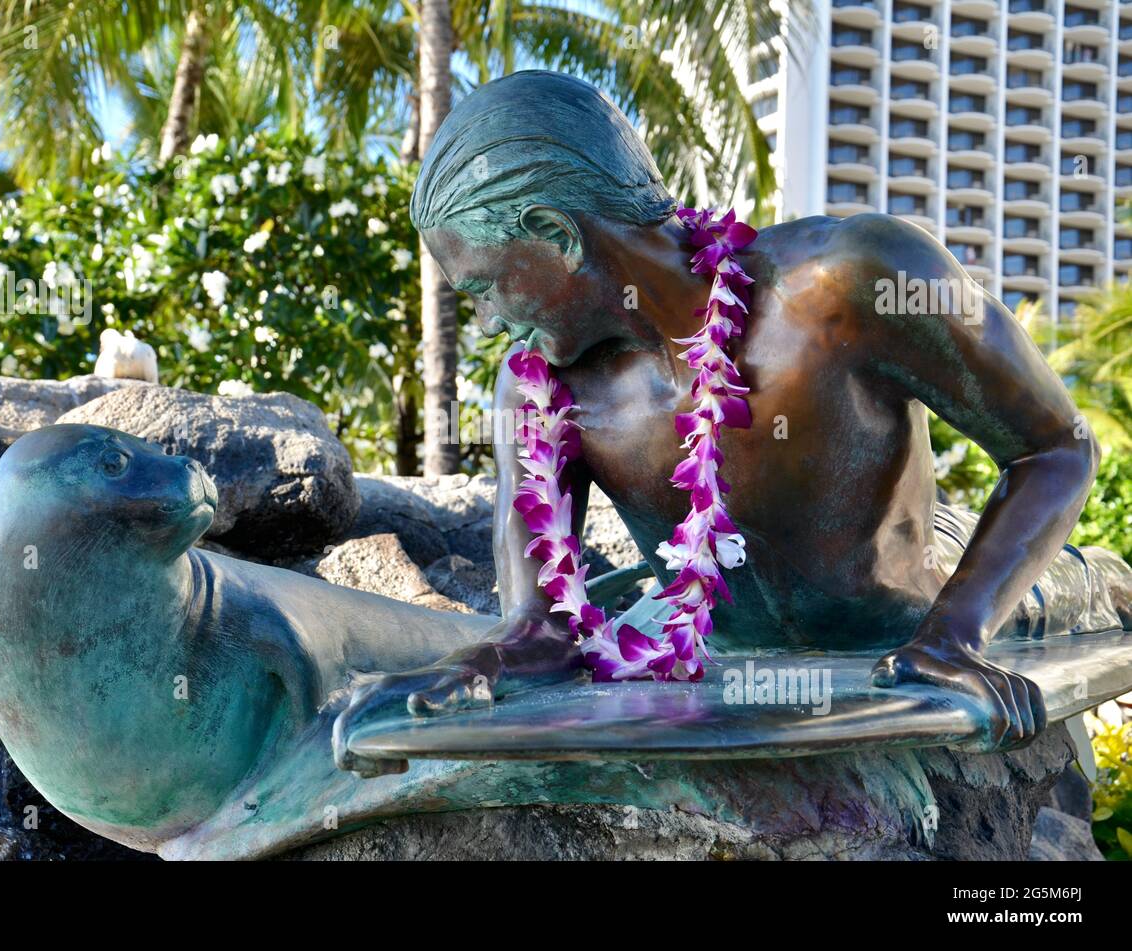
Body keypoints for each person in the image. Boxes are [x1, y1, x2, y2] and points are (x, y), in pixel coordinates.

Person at [333, 71, 1132, 776]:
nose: (486, 325)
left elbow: (1055, 448)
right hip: (723, 653)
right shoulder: (538, 392)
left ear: (556, 236)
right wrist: (463, 672)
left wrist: (952, 634)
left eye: (482, 288)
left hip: (930, 582)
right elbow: (541, 631)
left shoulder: (851, 279)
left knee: (1104, 588)